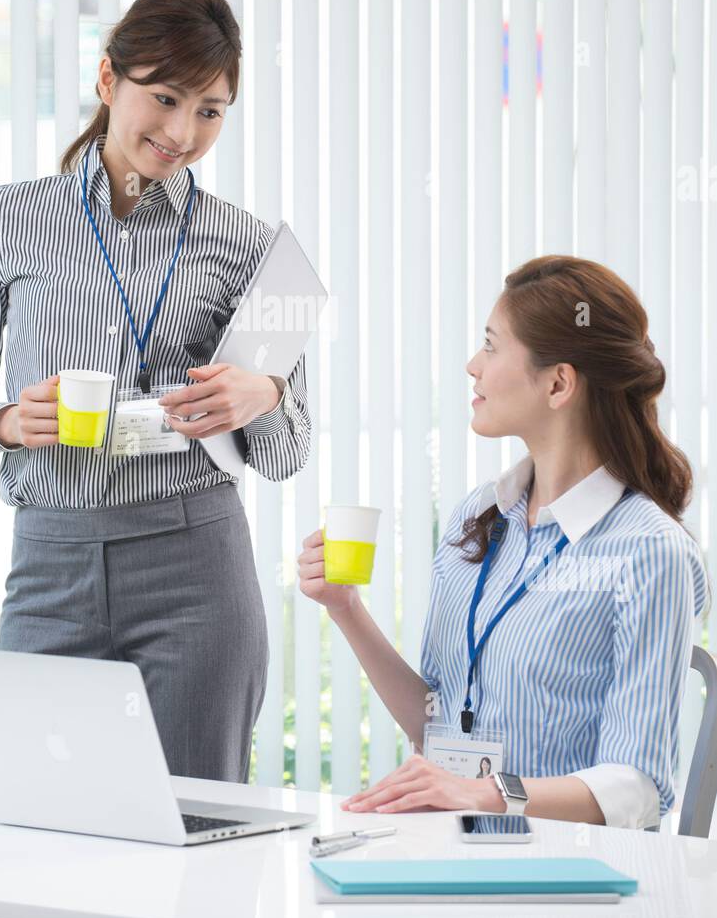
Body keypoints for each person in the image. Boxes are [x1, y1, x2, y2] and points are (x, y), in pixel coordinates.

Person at [0, 0, 312, 784]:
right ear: (108, 81)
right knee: (35, 825)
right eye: (164, 98)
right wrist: (5, 423)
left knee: (194, 826)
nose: (181, 132)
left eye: (209, 110)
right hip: (50, 564)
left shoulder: (248, 245)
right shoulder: (6, 220)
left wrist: (262, 397)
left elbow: (287, 452)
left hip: (196, 569)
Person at [298, 255, 711, 829]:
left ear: (558, 382)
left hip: (565, 880)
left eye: (491, 347)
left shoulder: (648, 551)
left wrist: (487, 794)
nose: (473, 366)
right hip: (452, 851)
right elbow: (438, 727)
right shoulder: (481, 515)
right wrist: (346, 610)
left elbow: (635, 787)